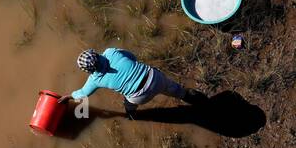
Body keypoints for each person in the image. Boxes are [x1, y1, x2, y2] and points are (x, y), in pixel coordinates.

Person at [70, 47, 205, 118]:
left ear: (88, 70)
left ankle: (132, 116)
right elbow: (132, 56)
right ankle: (202, 102)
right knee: (177, 91)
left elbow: (82, 94)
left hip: (139, 96)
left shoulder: (95, 80)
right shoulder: (110, 52)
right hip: (154, 76)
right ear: (96, 54)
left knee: (129, 106)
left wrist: (67, 96)